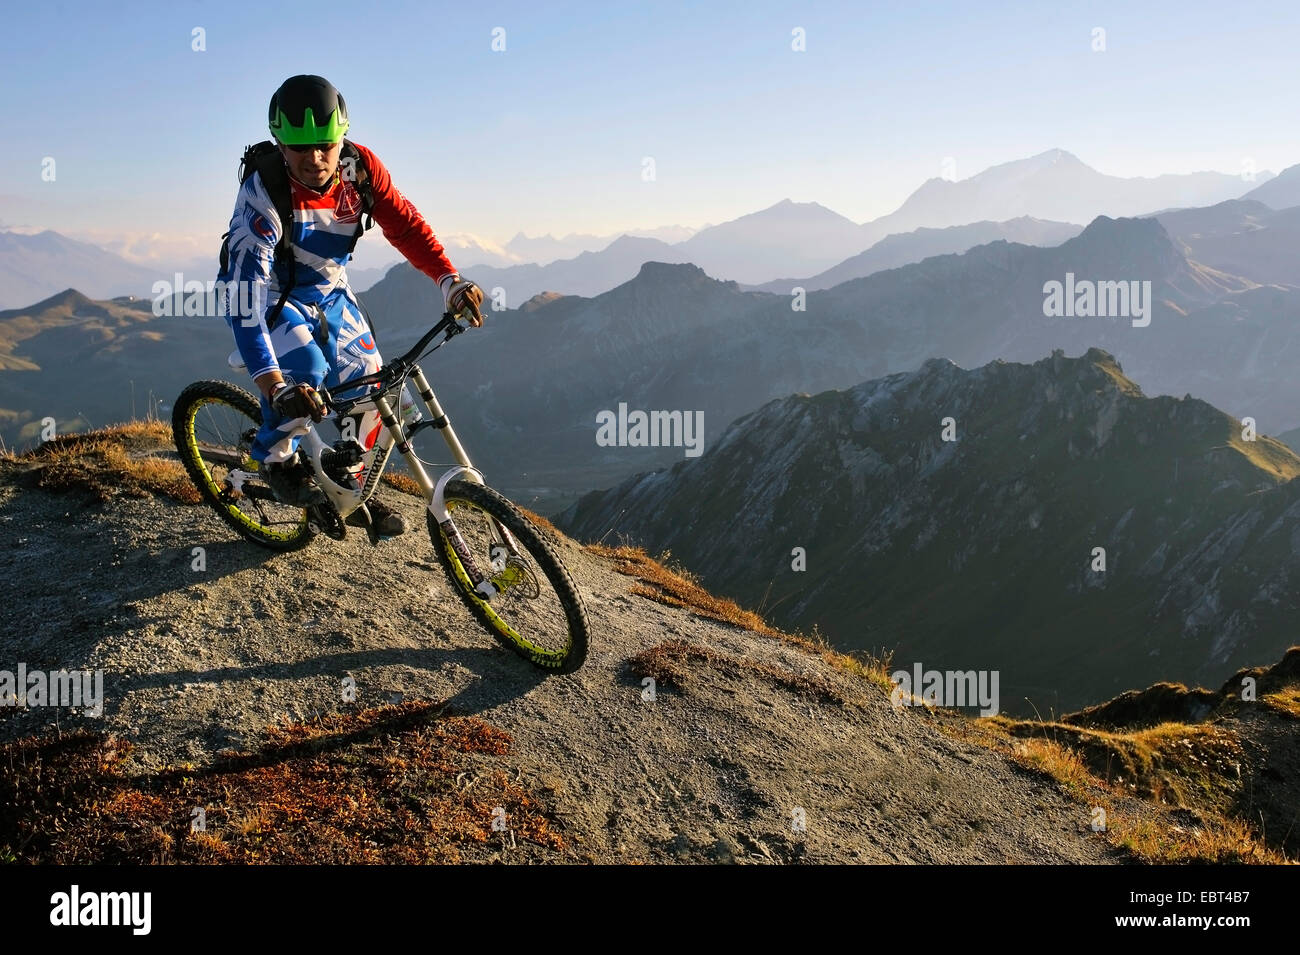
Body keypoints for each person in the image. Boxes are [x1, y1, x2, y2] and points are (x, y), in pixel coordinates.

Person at [217, 74, 483, 537]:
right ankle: (275, 460)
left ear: (342, 136)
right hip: (270, 297)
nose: (315, 158)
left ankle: (349, 490)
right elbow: (245, 301)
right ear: (279, 142)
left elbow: (403, 223)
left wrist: (449, 279)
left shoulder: (358, 170)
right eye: (300, 147)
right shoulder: (261, 199)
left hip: (330, 290)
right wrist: (274, 384)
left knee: (372, 385)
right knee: (305, 375)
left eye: (326, 144)